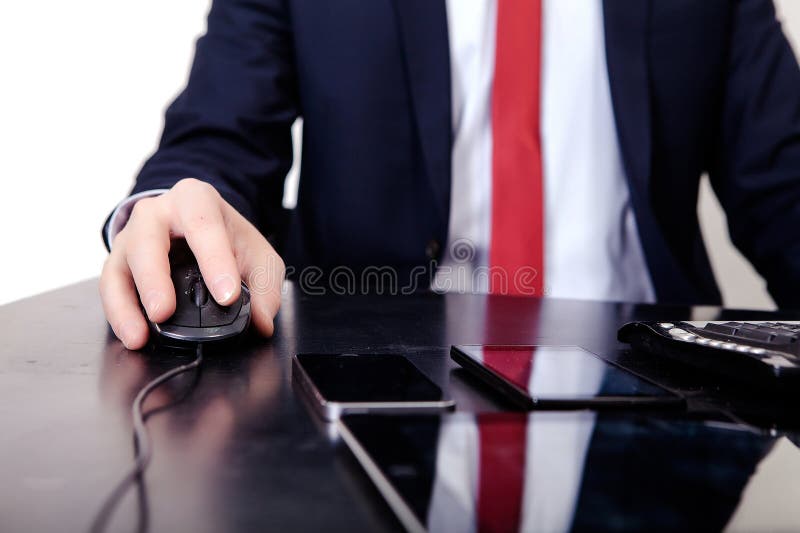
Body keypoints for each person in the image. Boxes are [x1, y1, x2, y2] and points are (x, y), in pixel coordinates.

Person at [99, 0, 800, 349]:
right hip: (374, 374)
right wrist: (177, 207)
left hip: (658, 391)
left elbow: (785, 182)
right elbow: (218, 137)